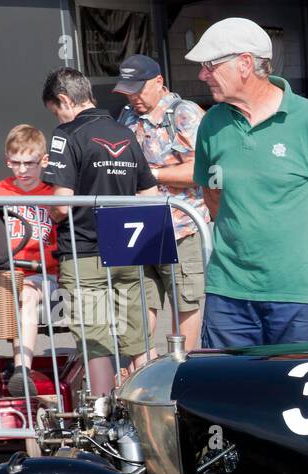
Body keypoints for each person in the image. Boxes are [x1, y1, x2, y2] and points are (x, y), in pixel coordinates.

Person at [190, 17, 308, 348]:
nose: (201, 75)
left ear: (245, 64)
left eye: (210, 65)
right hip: (228, 294)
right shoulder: (211, 124)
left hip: (297, 294)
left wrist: (287, 240)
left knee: (292, 397)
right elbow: (213, 197)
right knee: (227, 395)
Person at [42, 67, 160, 396]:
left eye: (55, 111)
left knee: (96, 342)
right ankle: (151, 410)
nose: (57, 118)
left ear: (64, 100)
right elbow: (149, 195)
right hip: (127, 249)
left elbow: (61, 206)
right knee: (139, 340)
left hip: (83, 254)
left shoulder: (65, 136)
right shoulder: (124, 133)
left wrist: (49, 208)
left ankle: (103, 415)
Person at [115, 53, 211, 350]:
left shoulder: (185, 114)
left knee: (185, 300)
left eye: (138, 89)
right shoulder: (127, 116)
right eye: (127, 91)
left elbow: (201, 170)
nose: (133, 97)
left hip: (181, 227)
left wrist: (150, 175)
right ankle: (142, 369)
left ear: (159, 82)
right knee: (140, 299)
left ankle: (178, 368)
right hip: (137, 227)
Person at [0, 124, 60, 398]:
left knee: (26, 293)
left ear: (44, 161)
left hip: (43, 277)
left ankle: (21, 371)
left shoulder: (54, 195)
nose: (23, 171)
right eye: (16, 163)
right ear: (7, 160)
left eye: (30, 163)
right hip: (4, 277)